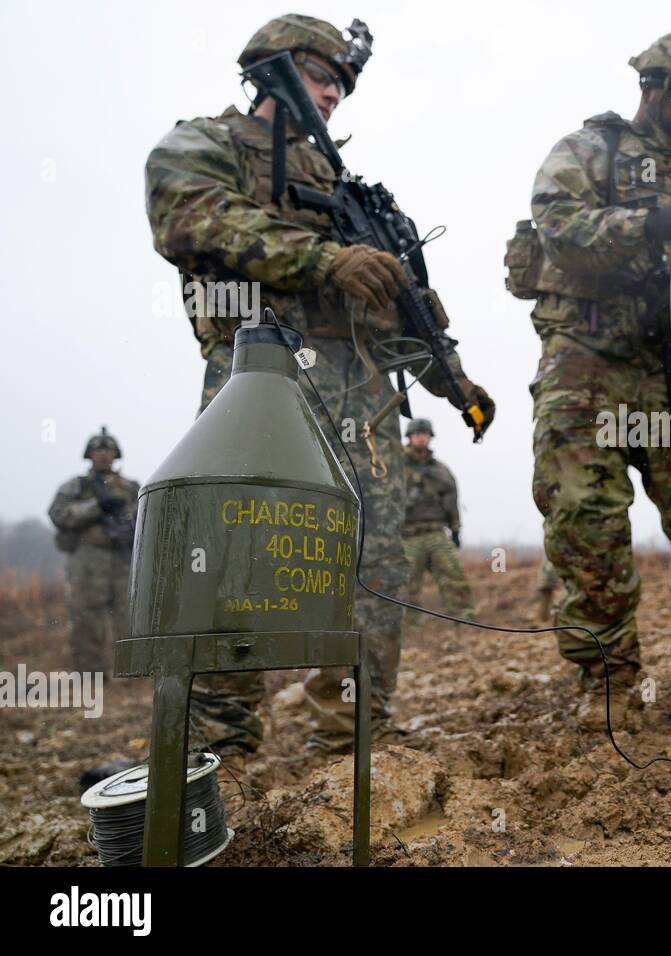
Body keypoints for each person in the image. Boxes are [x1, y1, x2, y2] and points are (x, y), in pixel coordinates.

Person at [144, 15, 494, 755]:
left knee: (377, 563)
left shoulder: (349, 192)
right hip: (260, 380)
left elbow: (406, 310)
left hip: (363, 399)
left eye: (341, 84)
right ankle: (221, 745)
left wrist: (455, 381)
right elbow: (189, 216)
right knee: (236, 556)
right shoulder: (206, 144)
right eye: (320, 77)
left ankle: (351, 737)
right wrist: (319, 259)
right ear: (272, 70)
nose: (333, 95)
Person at [513, 31, 671, 727]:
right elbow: (560, 227)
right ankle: (608, 687)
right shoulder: (587, 152)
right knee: (587, 529)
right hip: (584, 371)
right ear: (654, 87)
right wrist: (649, 226)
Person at [48, 428, 138, 674]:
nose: (103, 455)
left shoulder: (130, 488)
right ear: (89, 455)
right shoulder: (76, 487)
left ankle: (133, 672)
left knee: (130, 615)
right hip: (88, 558)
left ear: (116, 454)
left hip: (123, 557)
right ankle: (91, 674)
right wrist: (96, 507)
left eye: (107, 450)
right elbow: (58, 514)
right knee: (86, 617)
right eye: (98, 450)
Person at [401, 418, 475, 619]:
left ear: (430, 437)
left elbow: (451, 499)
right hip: (406, 535)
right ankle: (410, 628)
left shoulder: (440, 470)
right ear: (409, 437)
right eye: (417, 434)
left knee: (454, 575)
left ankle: (465, 620)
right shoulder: (395, 465)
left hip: (436, 533)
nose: (421, 438)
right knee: (405, 584)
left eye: (425, 434)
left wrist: (456, 529)